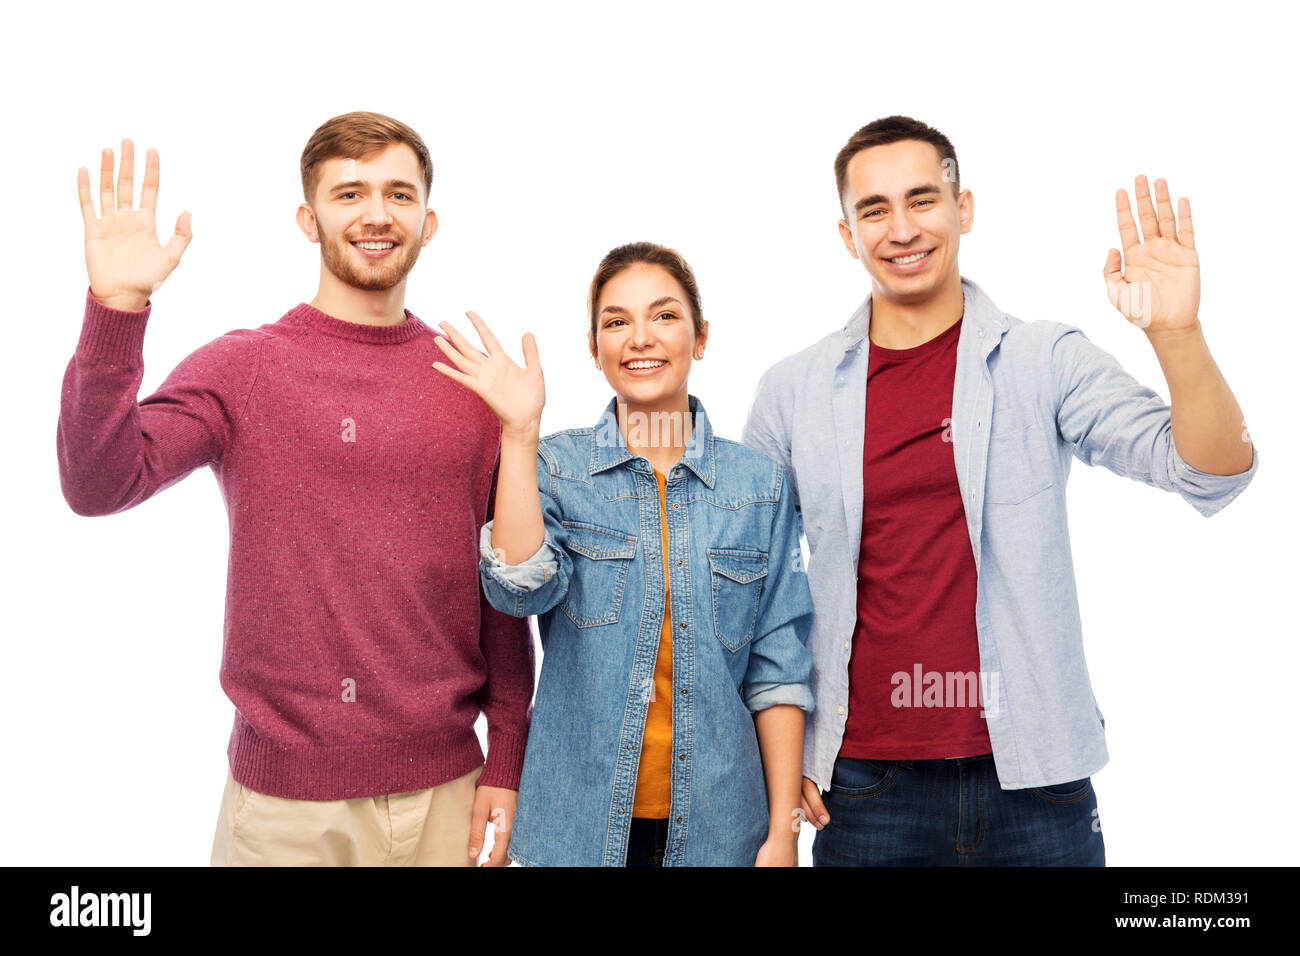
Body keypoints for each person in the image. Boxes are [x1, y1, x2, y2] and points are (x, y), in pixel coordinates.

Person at [742, 115, 1257, 866]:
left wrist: (1177, 333)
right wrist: (782, 770)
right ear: (848, 235)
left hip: (1037, 785)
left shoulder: (1042, 359)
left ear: (965, 210)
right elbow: (750, 592)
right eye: (874, 210)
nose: (901, 228)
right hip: (861, 785)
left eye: (922, 200)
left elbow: (1213, 469)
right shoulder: (793, 392)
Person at [57, 111, 533, 866]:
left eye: (398, 195)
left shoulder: (473, 385)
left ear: (428, 220)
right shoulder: (244, 368)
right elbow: (99, 482)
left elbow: (503, 596)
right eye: (349, 194)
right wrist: (115, 311)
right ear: (308, 219)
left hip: (452, 795)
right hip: (285, 814)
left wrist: (506, 759)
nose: (376, 214)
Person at [431, 242, 814, 866]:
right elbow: (519, 588)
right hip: (578, 828)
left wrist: (782, 832)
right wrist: (520, 432)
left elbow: (778, 670)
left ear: (702, 335)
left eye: (663, 316)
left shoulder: (760, 486)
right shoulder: (554, 464)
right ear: (594, 347)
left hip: (722, 830)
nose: (640, 338)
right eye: (616, 322)